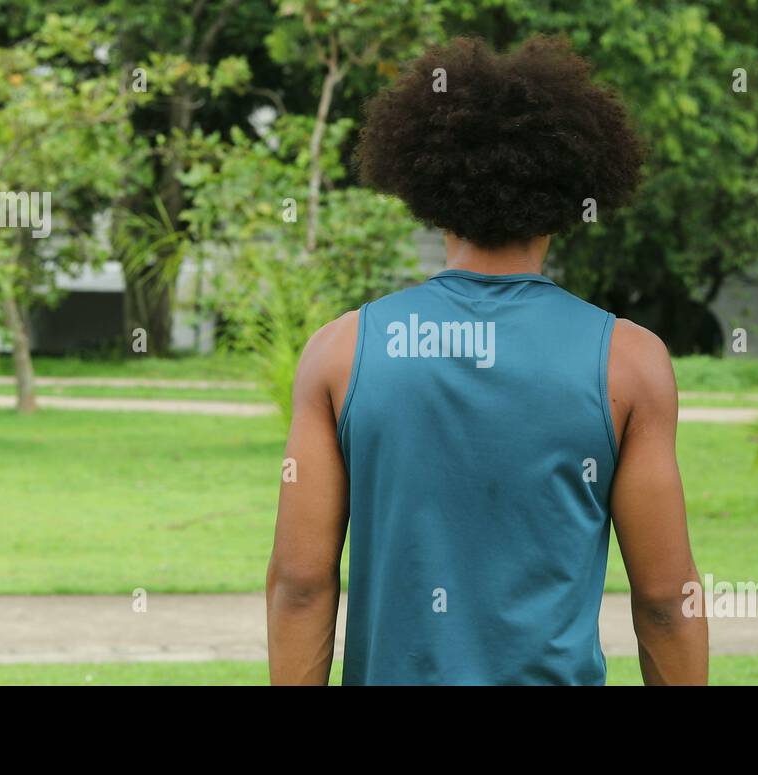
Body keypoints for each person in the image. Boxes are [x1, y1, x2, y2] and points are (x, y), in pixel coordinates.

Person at [266, 35, 707, 685]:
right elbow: (667, 601)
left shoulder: (342, 351)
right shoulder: (630, 362)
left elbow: (301, 584)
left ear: (428, 193)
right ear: (567, 195)